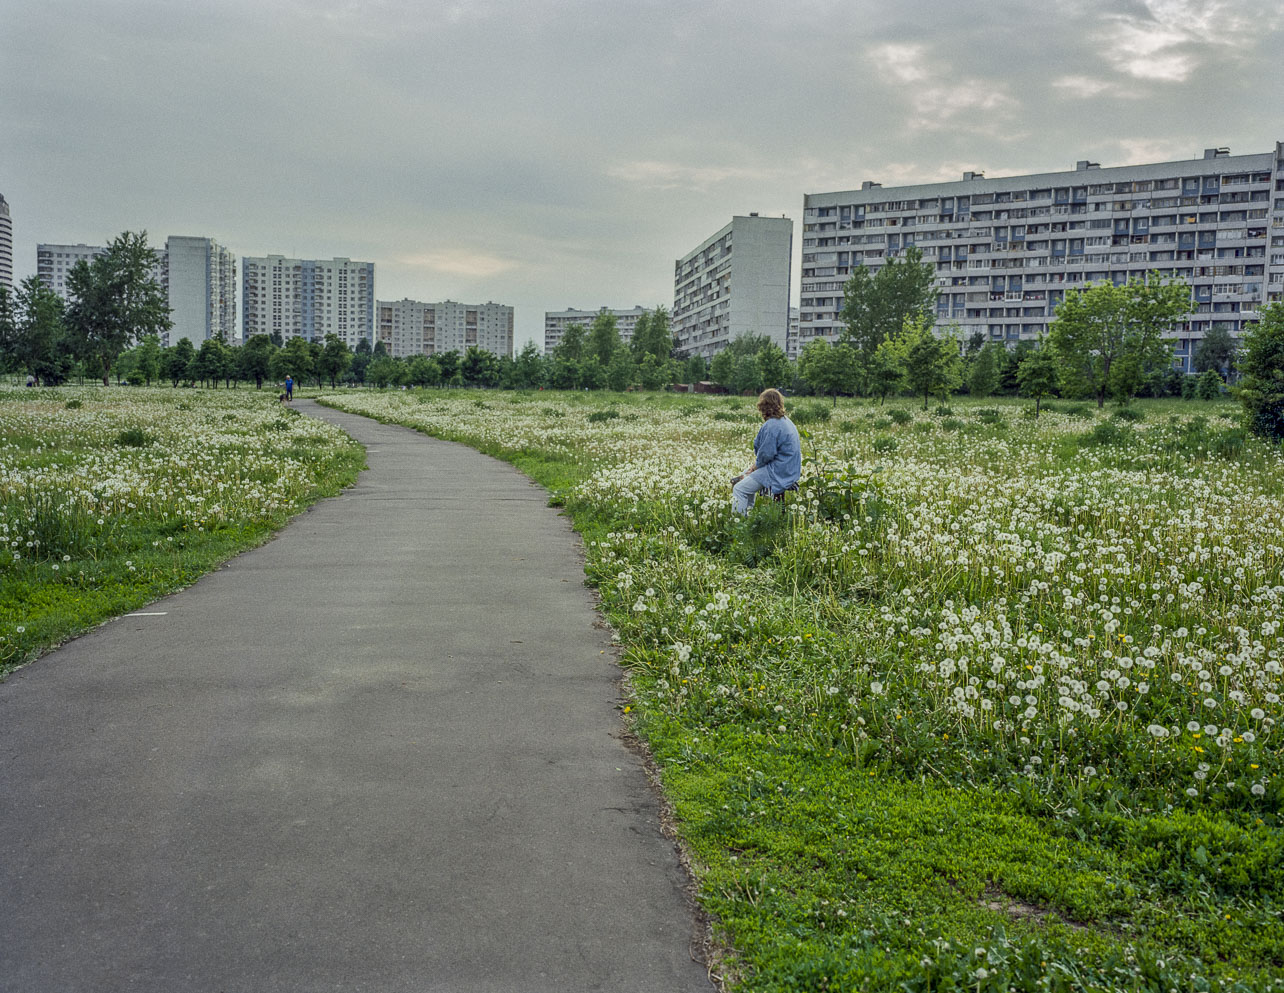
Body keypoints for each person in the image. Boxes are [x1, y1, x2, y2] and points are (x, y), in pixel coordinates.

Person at [730, 388, 801, 515]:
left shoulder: (772, 425)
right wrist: (754, 467)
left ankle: (738, 523)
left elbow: (766, 454)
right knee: (744, 476)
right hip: (788, 468)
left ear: (764, 406)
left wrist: (755, 467)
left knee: (739, 489)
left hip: (778, 471)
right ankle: (748, 514)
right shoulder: (786, 421)